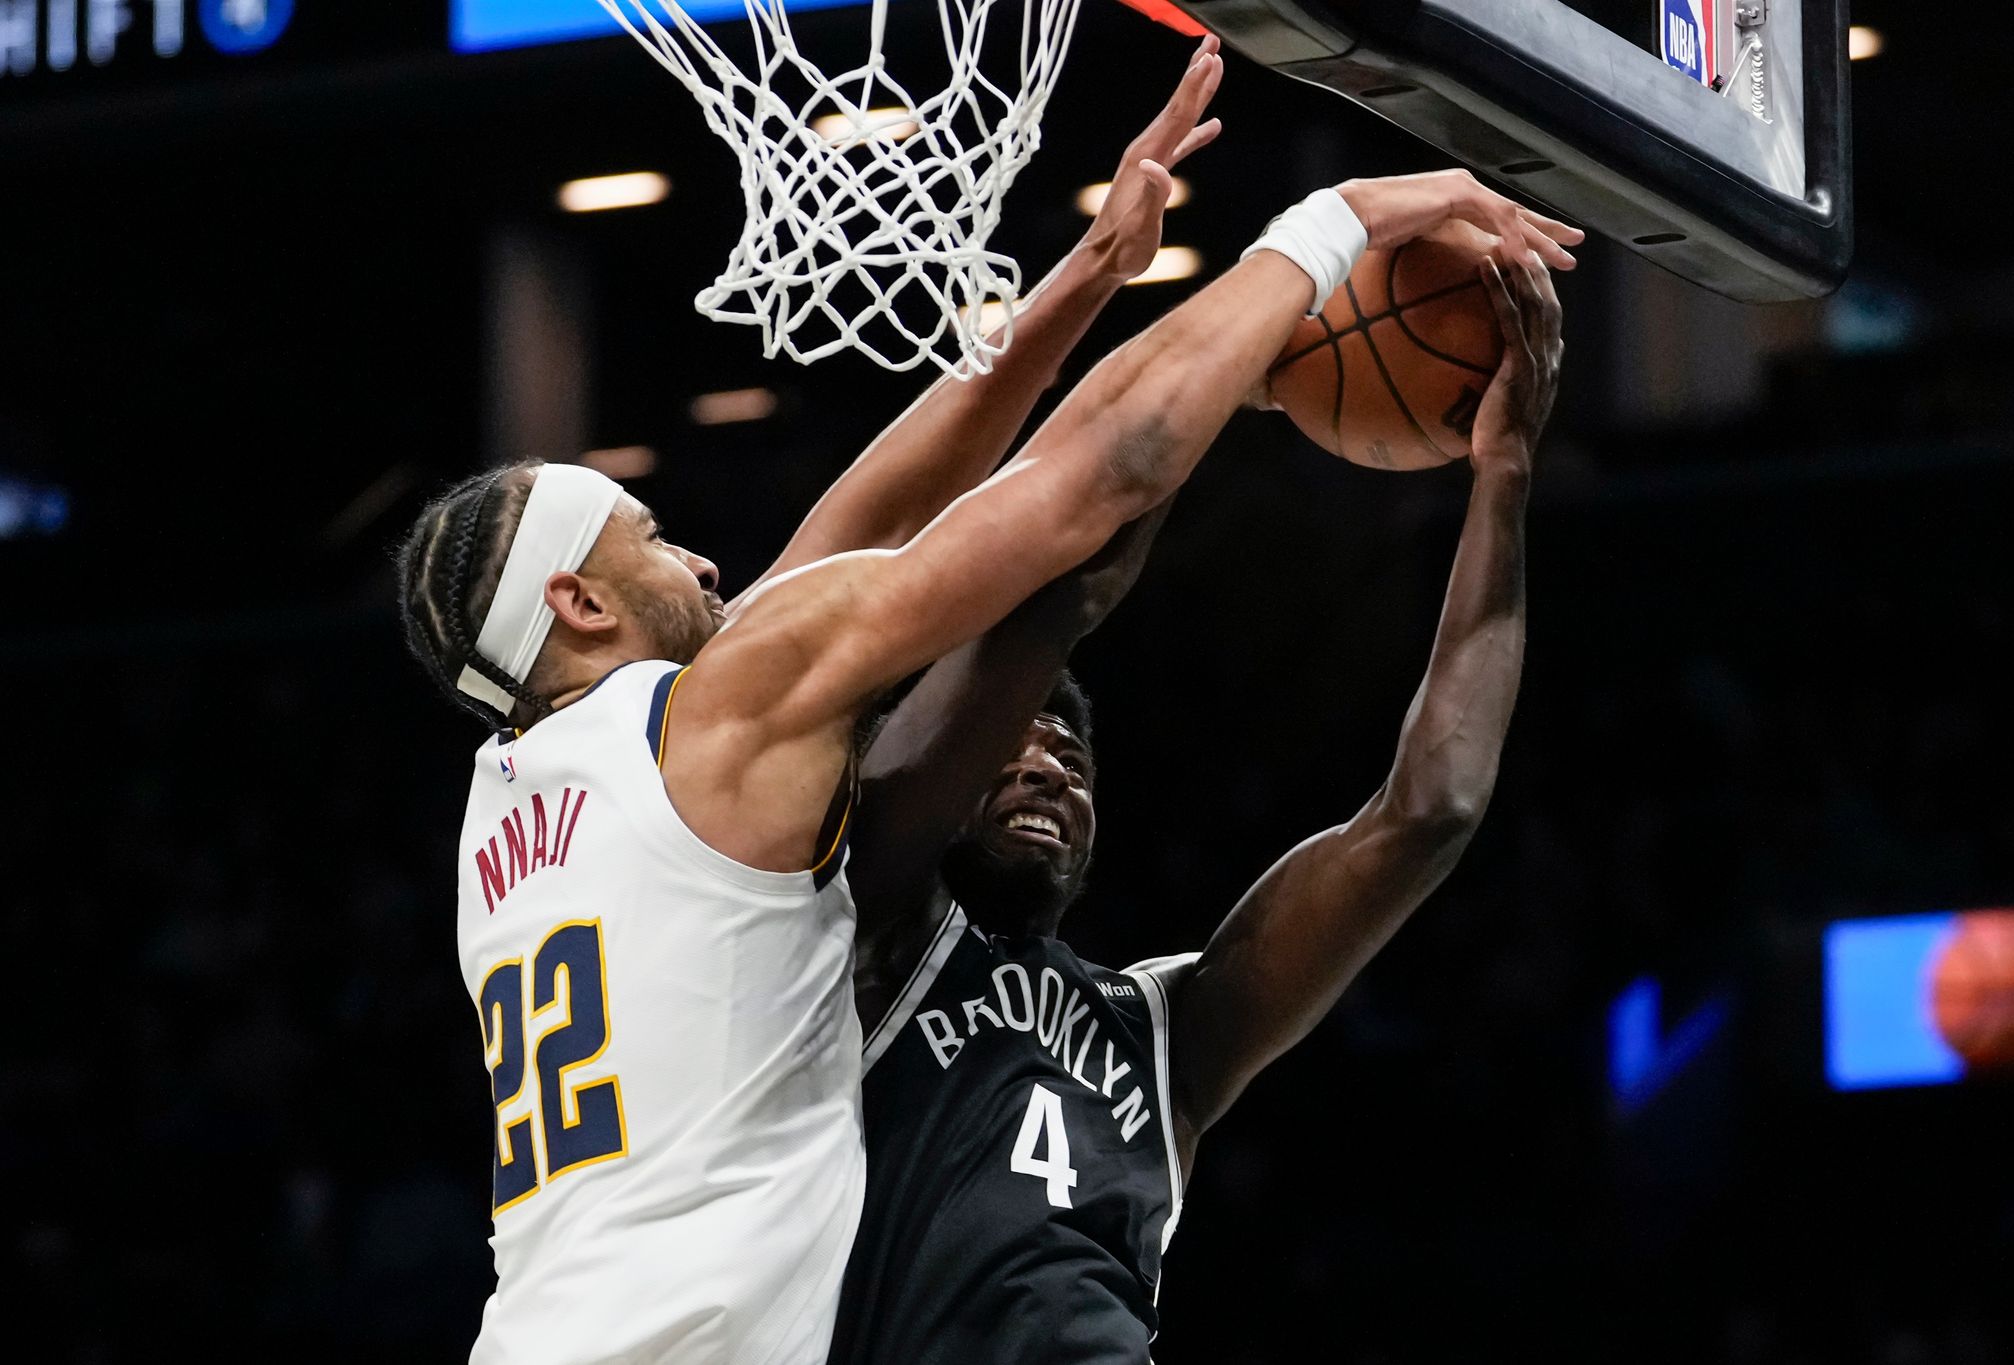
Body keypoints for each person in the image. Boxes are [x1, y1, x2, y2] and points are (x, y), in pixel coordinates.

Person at [396, 29, 1580, 1357]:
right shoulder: (711, 724)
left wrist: (1082, 283)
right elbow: (1100, 480)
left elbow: (859, 526)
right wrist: (1320, 230)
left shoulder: (520, 796)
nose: (706, 553)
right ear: (580, 602)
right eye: (651, 533)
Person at [828, 254, 1566, 1363]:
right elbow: (1064, 596)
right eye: (1013, 743)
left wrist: (1501, 476)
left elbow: (1430, 810)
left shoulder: (1163, 1030)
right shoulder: (849, 931)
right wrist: (1235, 343)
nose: (1048, 769)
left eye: (1070, 749)